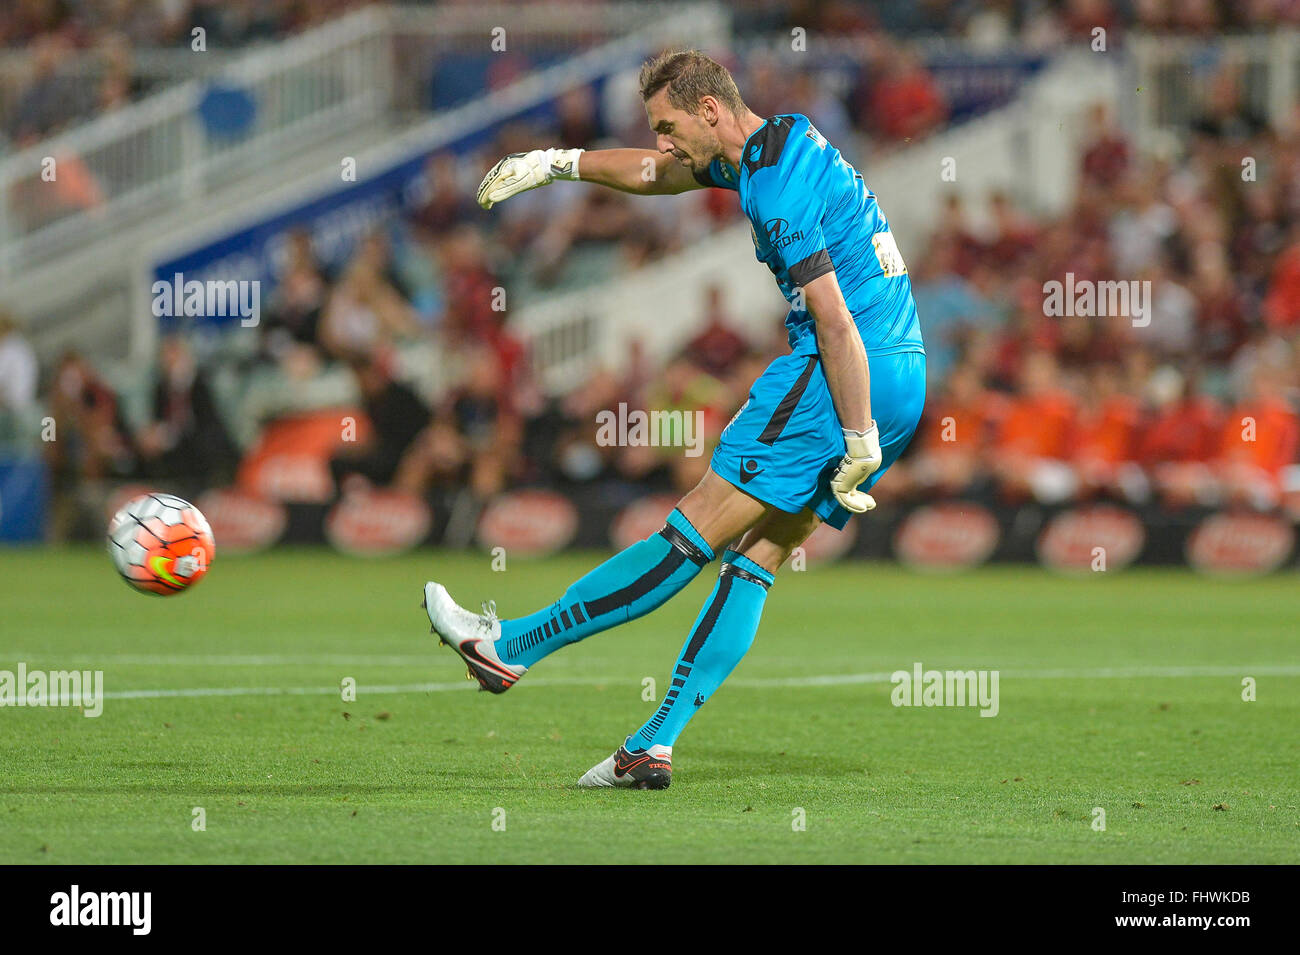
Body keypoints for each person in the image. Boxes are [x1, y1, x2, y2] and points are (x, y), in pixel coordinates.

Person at [423, 50, 926, 789]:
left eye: (666, 125)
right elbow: (656, 176)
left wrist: (855, 434)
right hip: (903, 376)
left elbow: (833, 317)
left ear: (710, 111)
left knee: (691, 528)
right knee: (758, 556)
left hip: (841, 371)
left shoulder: (775, 189)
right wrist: (559, 163)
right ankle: (650, 746)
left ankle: (510, 646)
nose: (662, 140)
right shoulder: (777, 141)